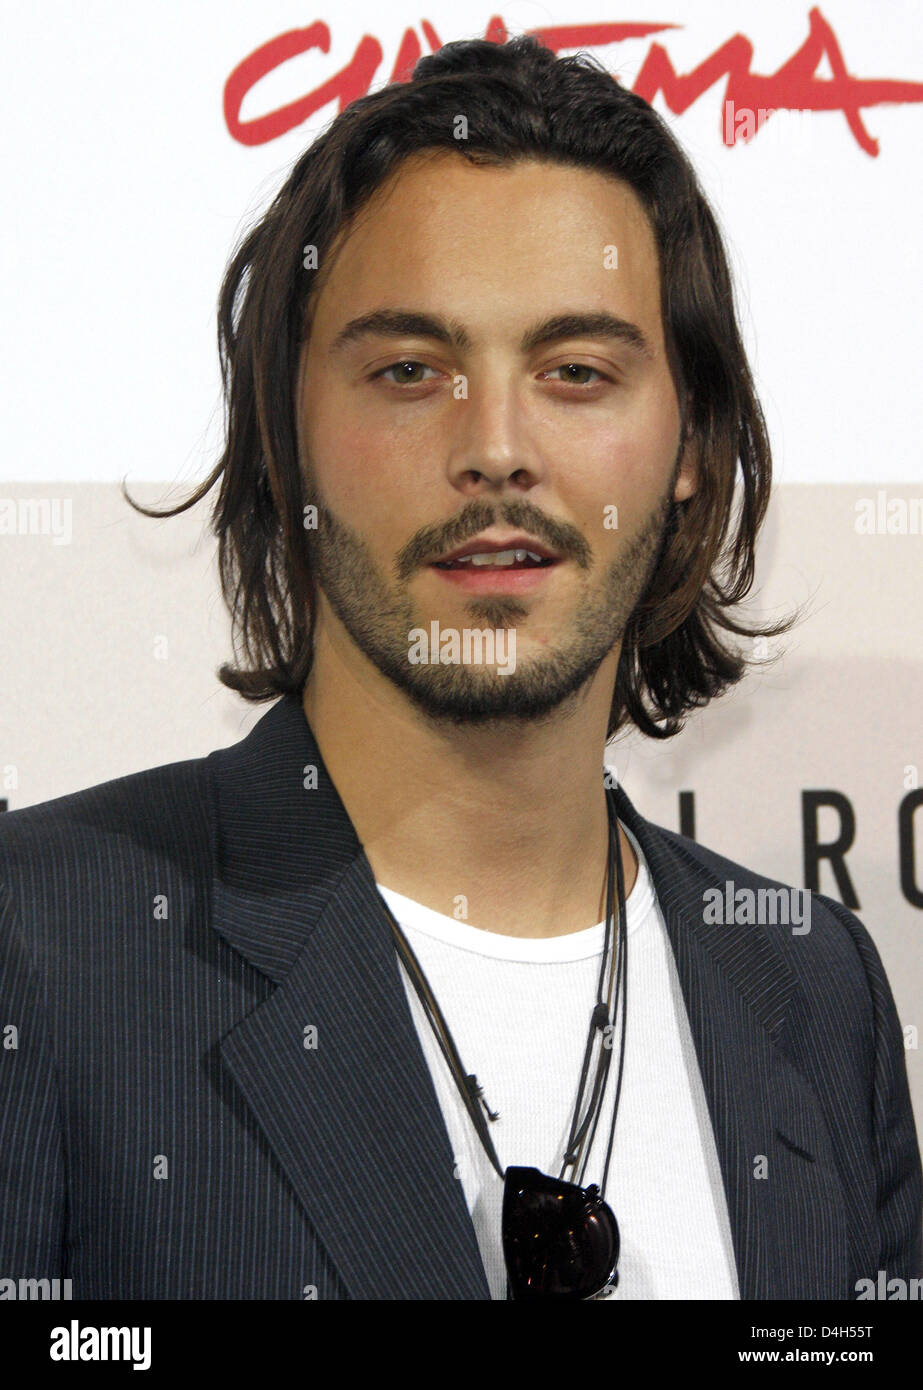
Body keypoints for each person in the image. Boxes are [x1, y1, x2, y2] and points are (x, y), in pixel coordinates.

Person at [0, 35, 919, 1302]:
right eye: (409, 371)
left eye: (576, 372)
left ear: (690, 443)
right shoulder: (41, 944)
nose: (494, 449)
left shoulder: (817, 993)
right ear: (286, 436)